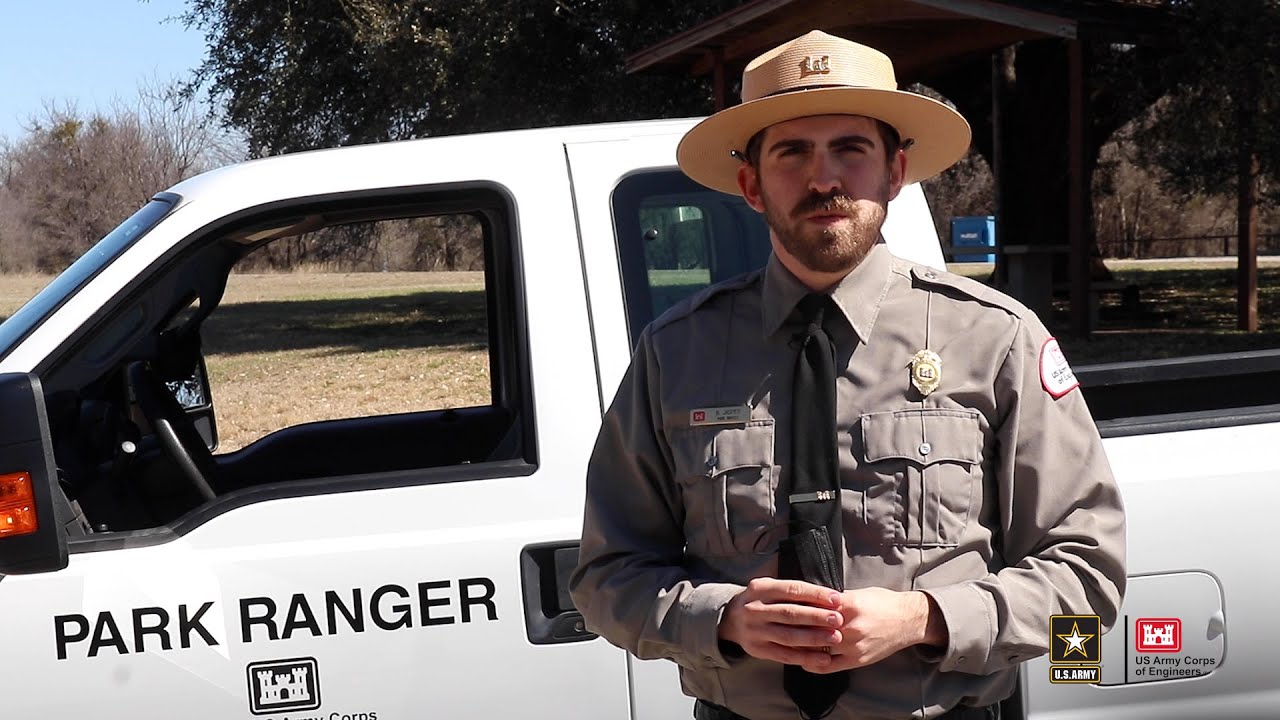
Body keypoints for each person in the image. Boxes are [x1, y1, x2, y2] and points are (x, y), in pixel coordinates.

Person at [570, 30, 1125, 720]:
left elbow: (1087, 577)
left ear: (894, 173)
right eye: (792, 152)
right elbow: (605, 576)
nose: (823, 179)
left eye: (850, 150)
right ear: (751, 184)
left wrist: (926, 618)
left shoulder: (994, 338)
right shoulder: (675, 353)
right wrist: (721, 619)